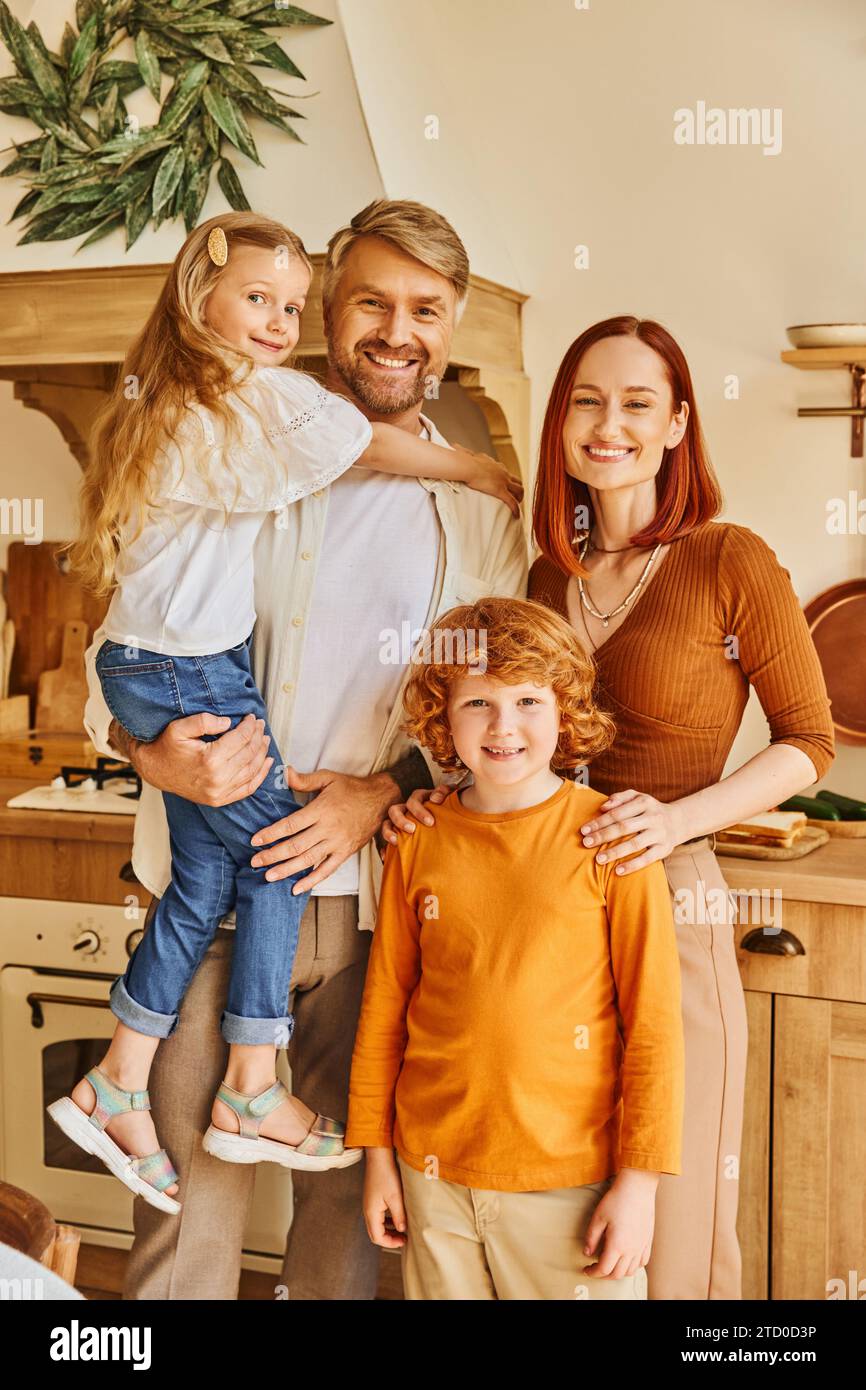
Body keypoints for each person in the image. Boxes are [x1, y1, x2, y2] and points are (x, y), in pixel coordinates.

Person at [82, 200, 528, 1297]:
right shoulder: (236, 442)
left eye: (424, 309)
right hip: (216, 899)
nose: (395, 330)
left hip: (378, 905)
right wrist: (152, 756)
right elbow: (123, 645)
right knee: (184, 1206)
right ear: (328, 310)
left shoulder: (482, 522)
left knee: (349, 1214)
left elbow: (495, 722)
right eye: (370, 300)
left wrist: (380, 791)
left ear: (452, 323)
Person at [383, 315, 835, 1300]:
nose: (607, 423)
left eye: (636, 402)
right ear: (558, 422)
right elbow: (498, 723)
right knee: (569, 1211)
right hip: (536, 894)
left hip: (663, 887)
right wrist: (432, 800)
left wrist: (674, 822)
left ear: (676, 424)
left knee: (670, 1202)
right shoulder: (546, 569)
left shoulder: (728, 559)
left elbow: (808, 741)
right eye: (586, 399)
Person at [346, 596, 685, 1300]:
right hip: (432, 1178)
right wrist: (378, 1157)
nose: (504, 727)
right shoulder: (418, 840)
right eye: (478, 705)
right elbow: (383, 1010)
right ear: (444, 720)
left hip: (570, 1186)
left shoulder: (614, 840)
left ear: (565, 711)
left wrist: (640, 1187)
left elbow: (653, 1028)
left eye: (529, 700)